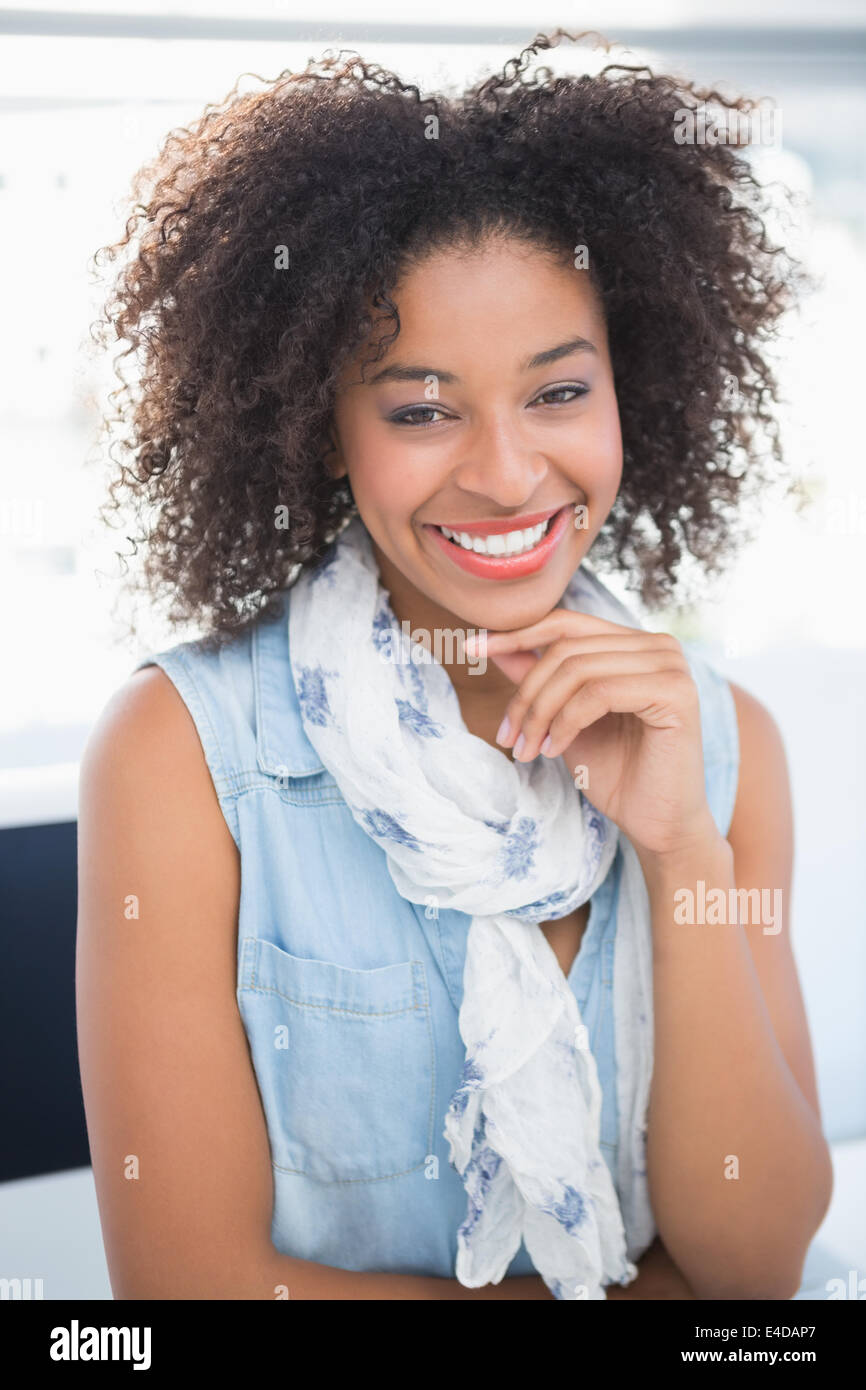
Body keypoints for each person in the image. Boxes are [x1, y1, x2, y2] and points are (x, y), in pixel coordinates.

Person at [77, 29, 832, 1300]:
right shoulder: (180, 754)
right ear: (326, 431)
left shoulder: (718, 739)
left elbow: (754, 1270)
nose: (503, 471)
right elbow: (187, 1287)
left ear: (627, 392)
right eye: (420, 409)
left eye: (556, 392)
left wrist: (679, 847)